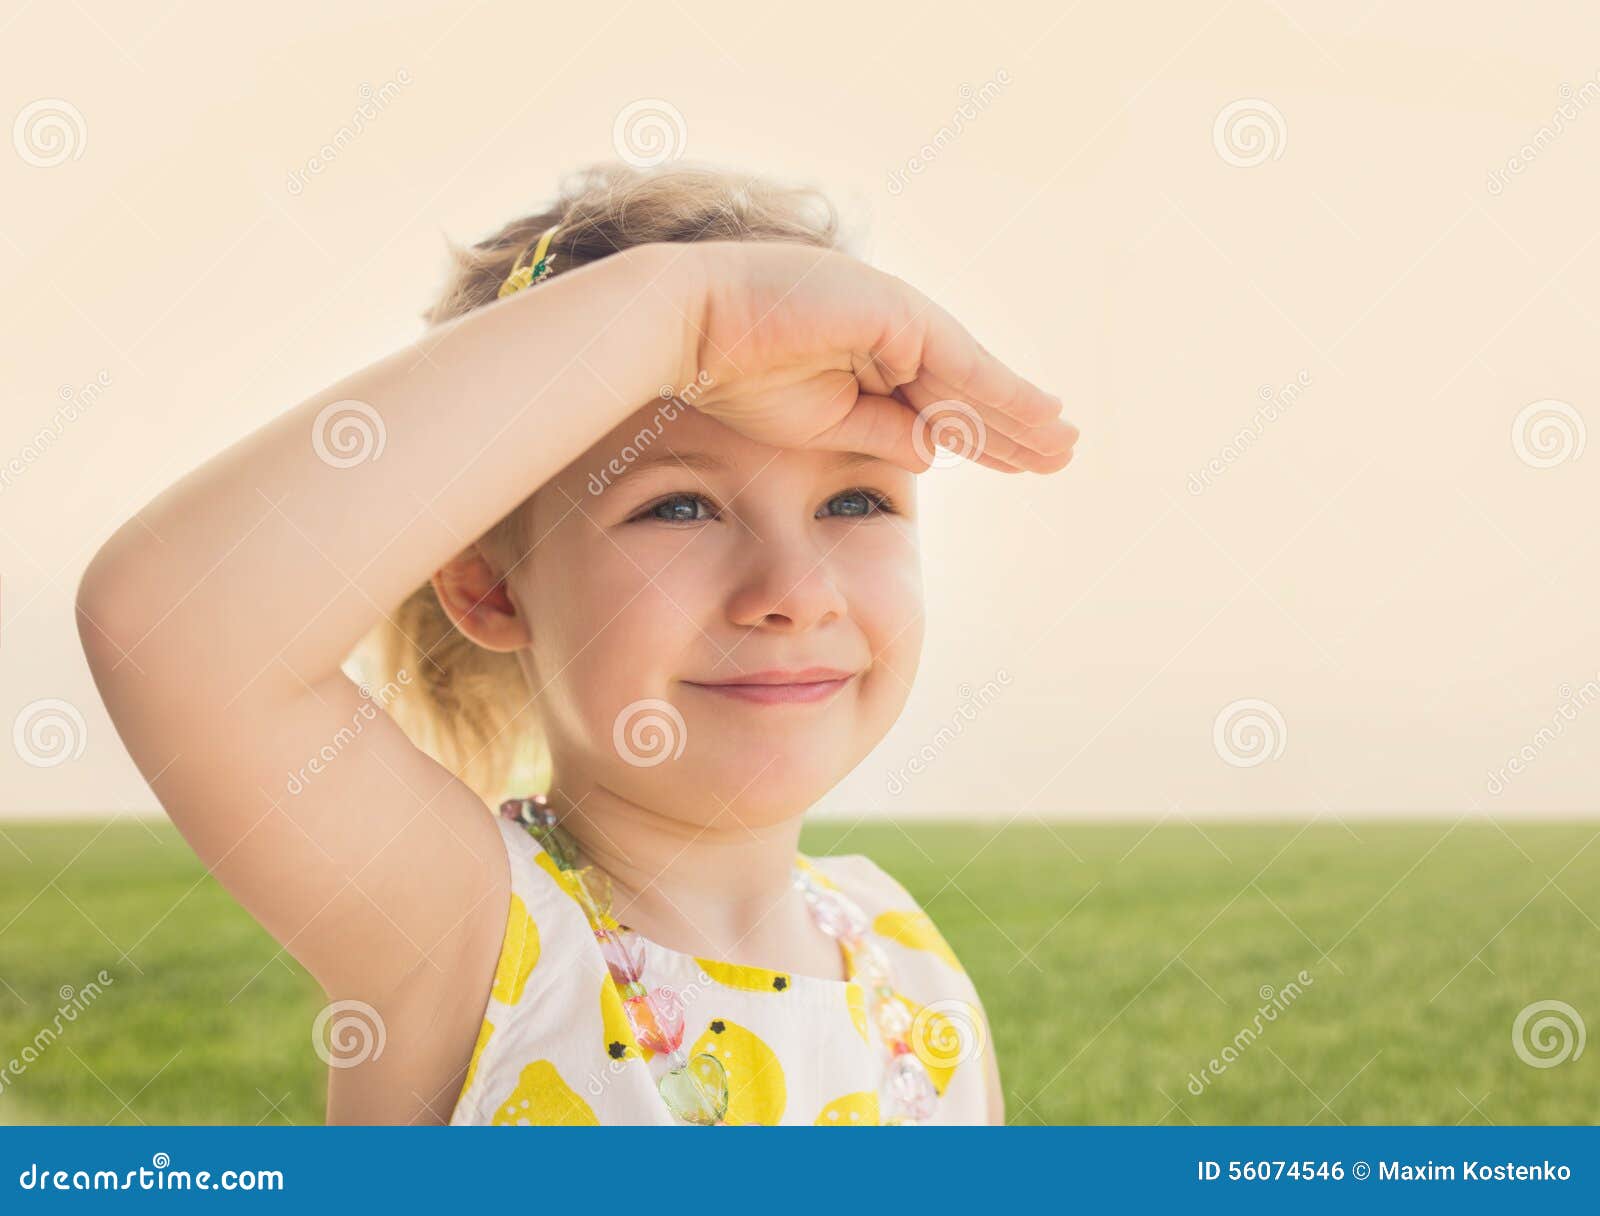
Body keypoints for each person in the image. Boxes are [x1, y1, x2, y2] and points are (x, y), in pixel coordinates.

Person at [76, 162, 1080, 1125]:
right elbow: (171, 621)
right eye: (678, 505)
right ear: (489, 582)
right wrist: (688, 319)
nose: (792, 592)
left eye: (854, 498)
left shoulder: (914, 974)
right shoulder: (467, 931)